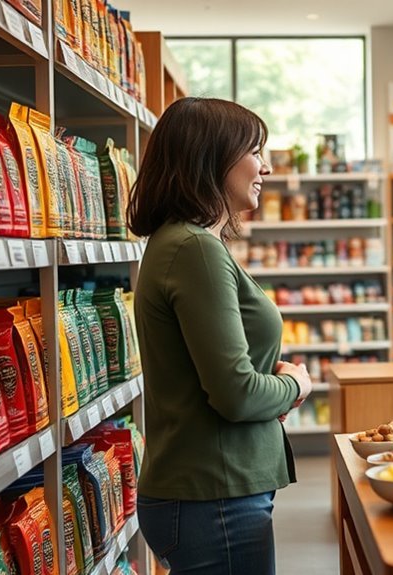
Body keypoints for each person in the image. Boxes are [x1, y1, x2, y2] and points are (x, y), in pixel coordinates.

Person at [126, 97, 312, 575]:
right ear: (211, 158)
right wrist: (296, 384)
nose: (266, 167)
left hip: (211, 494)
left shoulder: (185, 243)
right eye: (255, 151)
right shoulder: (195, 250)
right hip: (215, 497)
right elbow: (237, 394)